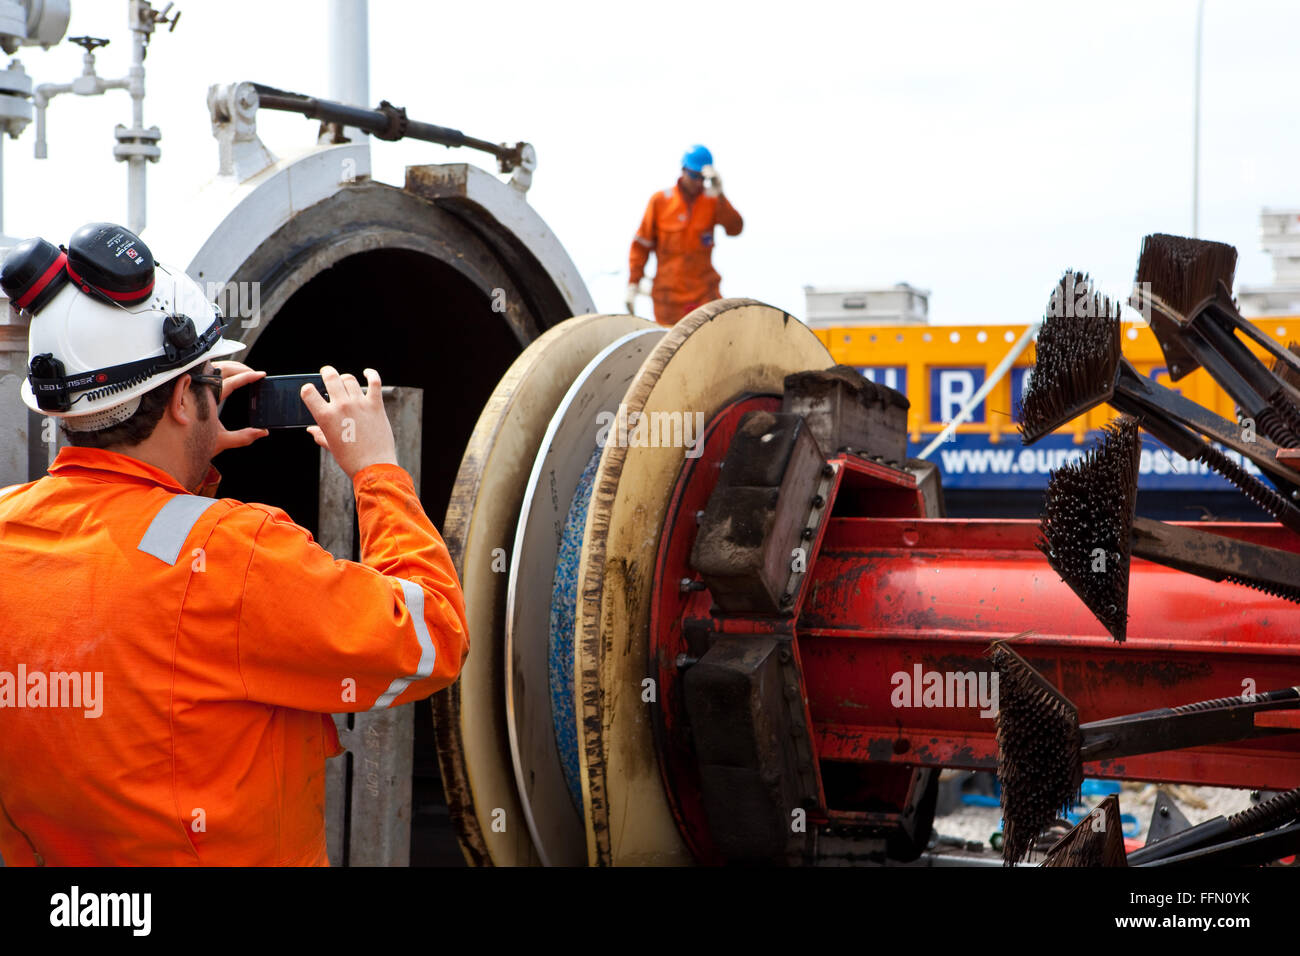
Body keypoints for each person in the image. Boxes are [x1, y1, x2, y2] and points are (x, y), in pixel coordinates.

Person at [0, 224, 468, 866]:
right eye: (204, 381)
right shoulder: (234, 555)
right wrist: (377, 470)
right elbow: (431, 636)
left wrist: (184, 454)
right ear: (182, 403)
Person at [627, 144, 744, 326]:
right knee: (672, 350)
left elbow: (735, 228)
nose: (698, 182)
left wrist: (720, 194)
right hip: (669, 301)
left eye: (701, 178)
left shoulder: (712, 201)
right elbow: (641, 246)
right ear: (683, 170)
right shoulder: (660, 202)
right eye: (694, 176)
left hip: (705, 296)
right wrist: (633, 283)